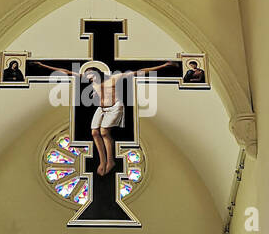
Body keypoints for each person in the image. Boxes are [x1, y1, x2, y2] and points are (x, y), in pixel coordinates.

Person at [33, 59, 174, 176]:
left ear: (96, 72)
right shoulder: (92, 83)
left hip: (115, 107)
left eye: (89, 73)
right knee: (94, 132)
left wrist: (164, 66)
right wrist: (42, 65)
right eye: (86, 74)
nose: (86, 76)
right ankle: (102, 161)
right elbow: (66, 72)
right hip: (102, 109)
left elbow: (139, 72)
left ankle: (110, 161)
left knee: (104, 132)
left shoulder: (113, 78)